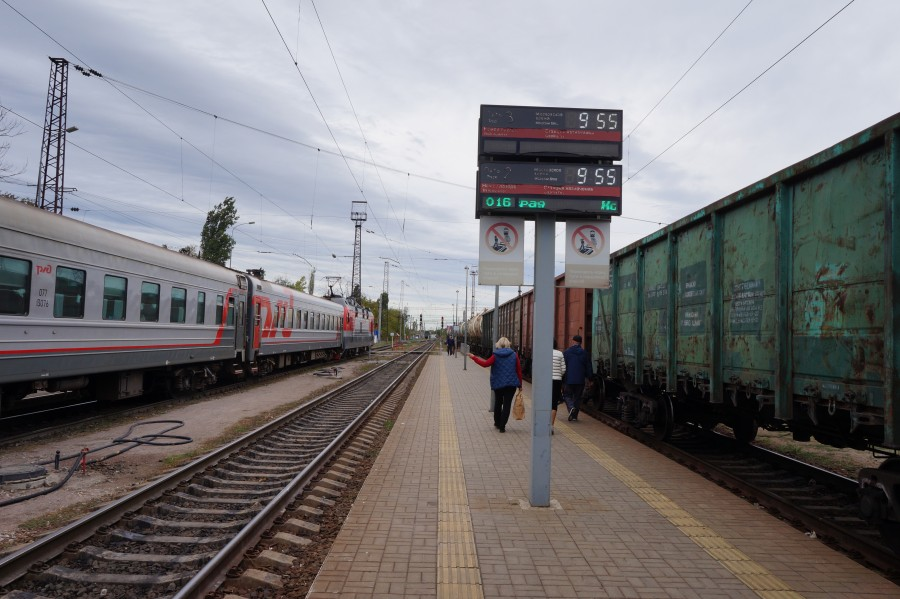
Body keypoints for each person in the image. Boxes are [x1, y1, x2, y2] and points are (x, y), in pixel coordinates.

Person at [468, 336, 522, 432]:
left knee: (498, 403)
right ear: (508, 344)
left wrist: (474, 357)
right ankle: (502, 426)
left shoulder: (495, 355)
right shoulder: (514, 355)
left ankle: (497, 423)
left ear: (498, 345)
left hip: (498, 384)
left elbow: (485, 364)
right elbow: (518, 370)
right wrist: (520, 385)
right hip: (511, 385)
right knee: (507, 405)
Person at [563, 334, 592, 421]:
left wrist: (562, 379)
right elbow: (588, 367)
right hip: (580, 380)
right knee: (578, 397)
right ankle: (574, 416)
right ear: (580, 343)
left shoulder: (567, 352)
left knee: (567, 395)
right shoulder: (585, 353)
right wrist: (590, 379)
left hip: (569, 379)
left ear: (573, 341)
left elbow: (563, 366)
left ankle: (571, 407)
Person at [551, 339, 566, 434]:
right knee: (553, 403)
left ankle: (544, 424)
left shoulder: (543, 353)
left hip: (545, 381)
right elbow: (564, 369)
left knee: (544, 403)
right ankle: (551, 426)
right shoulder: (560, 354)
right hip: (557, 381)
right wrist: (558, 375)